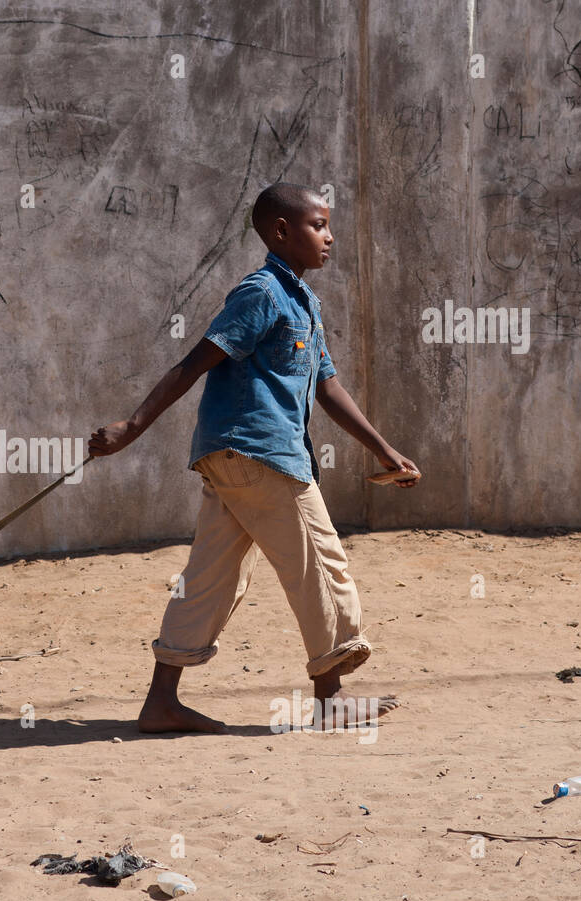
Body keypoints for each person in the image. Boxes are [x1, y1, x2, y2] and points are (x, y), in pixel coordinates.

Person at [89, 182, 420, 734]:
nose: (330, 237)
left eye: (329, 225)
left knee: (211, 579)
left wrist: (384, 450)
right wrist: (134, 426)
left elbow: (327, 386)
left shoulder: (303, 301)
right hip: (261, 454)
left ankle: (161, 703)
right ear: (281, 232)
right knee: (321, 565)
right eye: (319, 226)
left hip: (234, 460)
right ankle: (331, 698)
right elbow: (196, 360)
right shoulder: (262, 293)